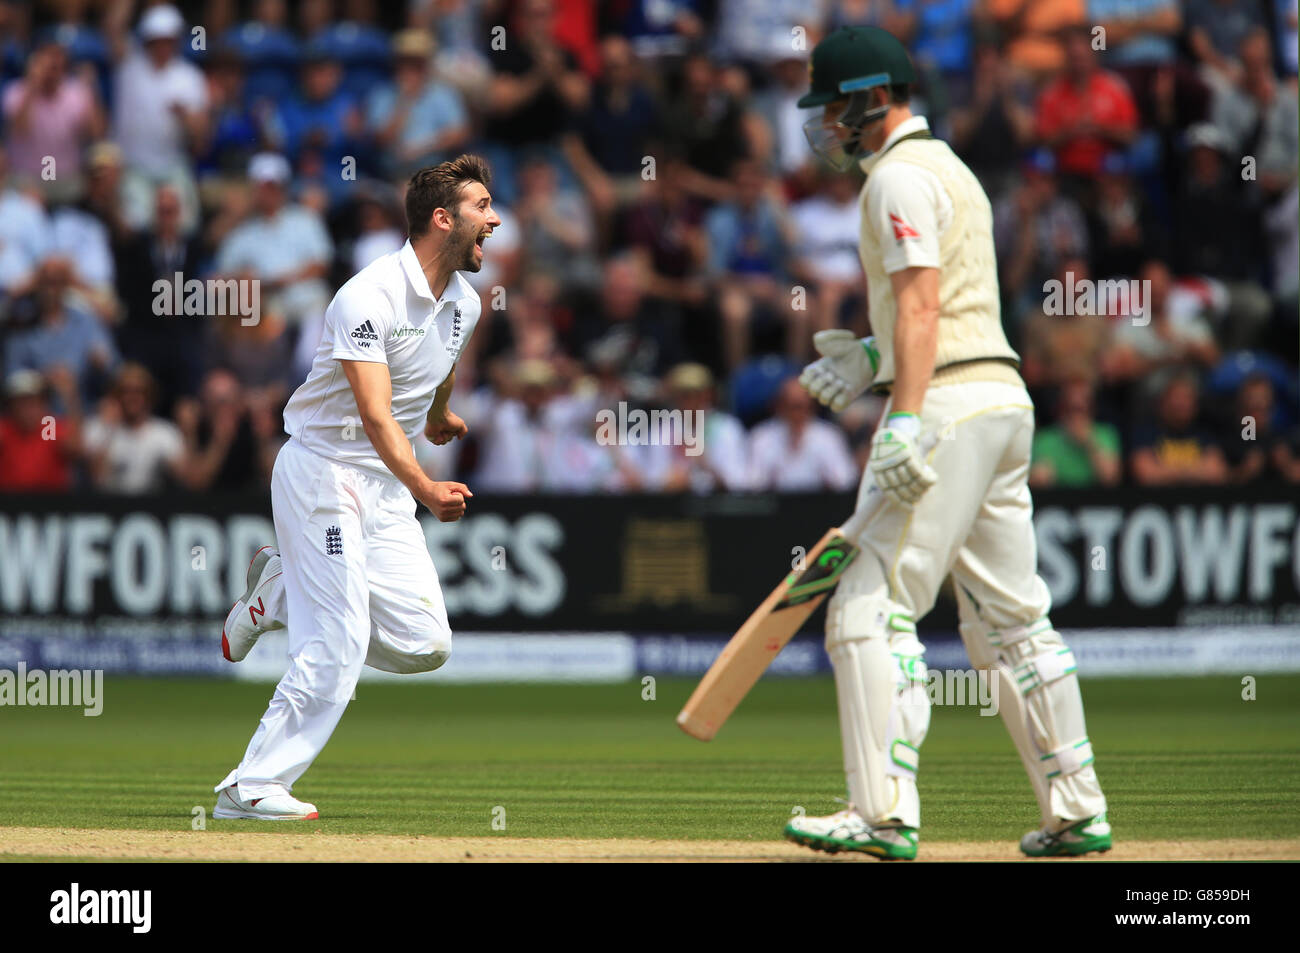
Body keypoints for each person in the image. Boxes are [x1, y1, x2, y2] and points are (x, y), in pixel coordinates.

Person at [785, 26, 1110, 859]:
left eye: (834, 108)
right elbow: (951, 301)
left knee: (867, 599)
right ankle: (1076, 806)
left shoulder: (894, 175)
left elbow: (926, 305)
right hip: (1000, 401)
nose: (827, 127)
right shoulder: (950, 168)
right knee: (1011, 618)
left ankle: (882, 812)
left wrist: (901, 414)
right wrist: (871, 356)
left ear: (868, 100)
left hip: (945, 408)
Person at [212, 155, 498, 821]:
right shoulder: (366, 296)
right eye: (482, 206)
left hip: (386, 487)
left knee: (429, 642)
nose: (495, 218)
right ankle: (248, 786)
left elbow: (439, 366)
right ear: (442, 218)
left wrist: (436, 413)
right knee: (337, 637)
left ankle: (280, 590)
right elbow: (372, 415)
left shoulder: (466, 300)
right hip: (325, 473)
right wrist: (428, 487)